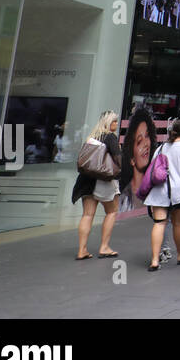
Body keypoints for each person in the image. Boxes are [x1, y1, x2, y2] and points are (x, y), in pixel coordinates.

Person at [145, 118, 180, 272]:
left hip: (159, 191)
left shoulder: (161, 148)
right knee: (179, 224)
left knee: (159, 223)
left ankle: (155, 260)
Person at [73, 111, 121, 260]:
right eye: (114, 121)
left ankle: (82, 250)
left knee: (87, 214)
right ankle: (104, 247)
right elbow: (118, 160)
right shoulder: (110, 137)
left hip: (86, 180)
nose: (116, 124)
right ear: (108, 123)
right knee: (112, 212)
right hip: (103, 180)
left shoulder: (91, 138)